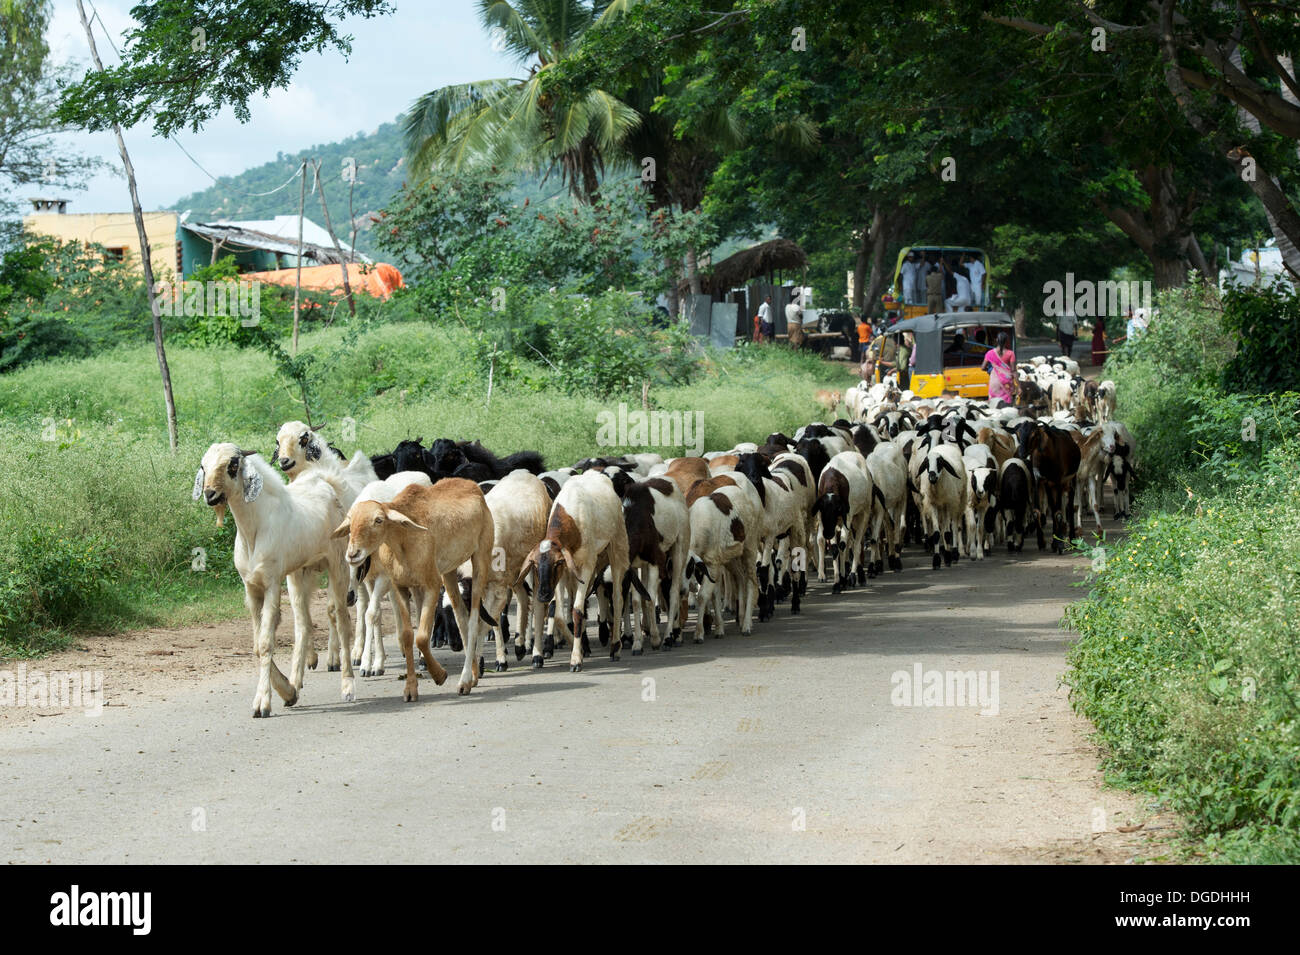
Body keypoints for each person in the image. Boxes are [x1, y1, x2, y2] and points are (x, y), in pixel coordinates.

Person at [982, 331, 1016, 404]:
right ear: (1007, 341)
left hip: (994, 381)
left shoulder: (990, 353)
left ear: (997, 340)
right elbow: (1013, 370)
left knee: (993, 403)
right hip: (1007, 382)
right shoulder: (1010, 353)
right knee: (1007, 403)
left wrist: (991, 371)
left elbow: (983, 367)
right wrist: (1019, 386)